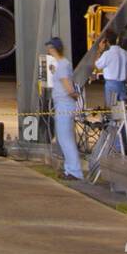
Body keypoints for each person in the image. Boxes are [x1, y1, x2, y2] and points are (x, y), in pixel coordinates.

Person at [46, 36, 83, 181]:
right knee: (65, 138)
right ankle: (71, 169)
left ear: (53, 49)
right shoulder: (64, 63)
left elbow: (67, 85)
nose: (48, 50)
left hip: (64, 103)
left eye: (49, 48)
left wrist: (73, 95)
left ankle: (75, 171)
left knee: (65, 138)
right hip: (64, 103)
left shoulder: (61, 64)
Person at [93, 35, 127, 108]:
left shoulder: (107, 54)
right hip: (122, 85)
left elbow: (97, 65)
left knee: (111, 110)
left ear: (107, 42)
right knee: (122, 111)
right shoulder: (126, 54)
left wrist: (99, 50)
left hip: (111, 85)